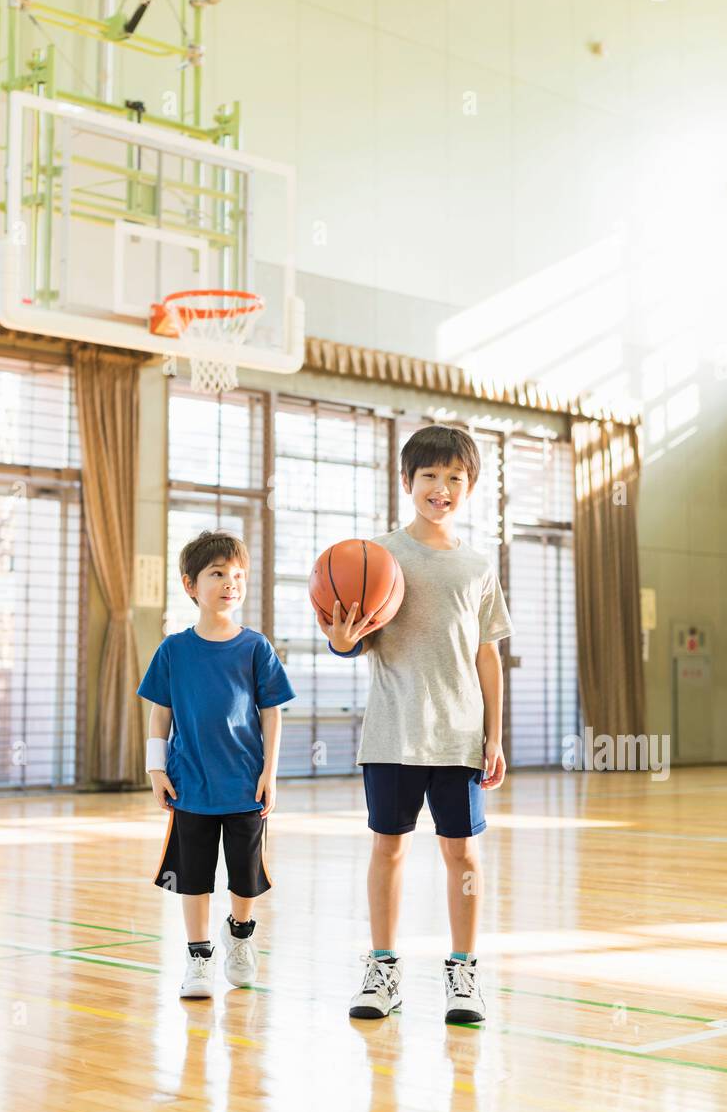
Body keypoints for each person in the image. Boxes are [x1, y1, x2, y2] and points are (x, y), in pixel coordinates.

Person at [319, 425, 514, 1024]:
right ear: (407, 482)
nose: (442, 487)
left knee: (462, 856)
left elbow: (487, 655)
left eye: (455, 477)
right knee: (389, 849)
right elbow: (352, 641)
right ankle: (383, 969)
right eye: (430, 476)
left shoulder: (479, 566)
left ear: (470, 487)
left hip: (458, 736)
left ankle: (463, 974)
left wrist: (494, 737)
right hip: (391, 732)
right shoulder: (371, 557)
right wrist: (342, 642)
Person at [138, 529, 295, 999]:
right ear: (190, 585)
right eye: (218, 573)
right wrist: (155, 768)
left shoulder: (255, 647)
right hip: (191, 786)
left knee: (245, 876)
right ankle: (198, 957)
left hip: (244, 785)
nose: (231, 582)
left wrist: (269, 772)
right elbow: (159, 711)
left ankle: (241, 936)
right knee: (194, 875)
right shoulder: (173, 650)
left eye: (238, 575)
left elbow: (271, 712)